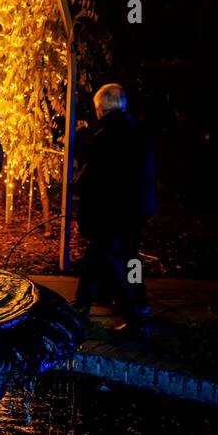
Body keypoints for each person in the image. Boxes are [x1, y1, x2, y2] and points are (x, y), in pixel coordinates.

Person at [74, 82, 156, 328]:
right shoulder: (137, 132)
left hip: (110, 210)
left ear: (102, 109)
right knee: (128, 257)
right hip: (135, 208)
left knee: (102, 254)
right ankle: (136, 301)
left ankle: (126, 309)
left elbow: (96, 178)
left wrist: (79, 188)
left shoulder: (106, 136)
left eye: (97, 109)